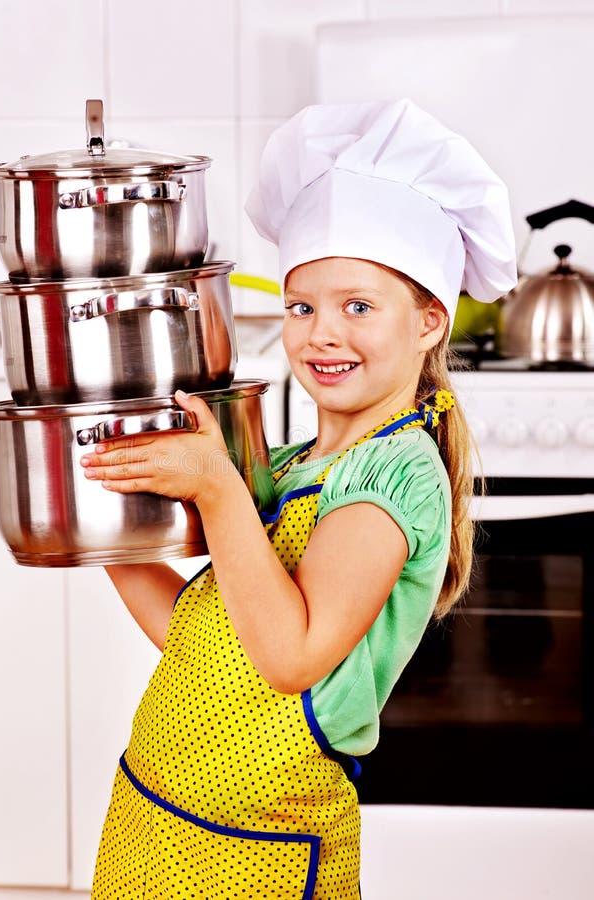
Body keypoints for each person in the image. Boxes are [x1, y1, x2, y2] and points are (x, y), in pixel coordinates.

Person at [82, 98, 517, 899]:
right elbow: (204, 635)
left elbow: (289, 659)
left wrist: (215, 489)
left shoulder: (392, 477)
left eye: (358, 307)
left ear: (427, 322)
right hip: (156, 810)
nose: (321, 333)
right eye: (301, 306)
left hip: (263, 850)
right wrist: (105, 517)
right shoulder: (285, 465)